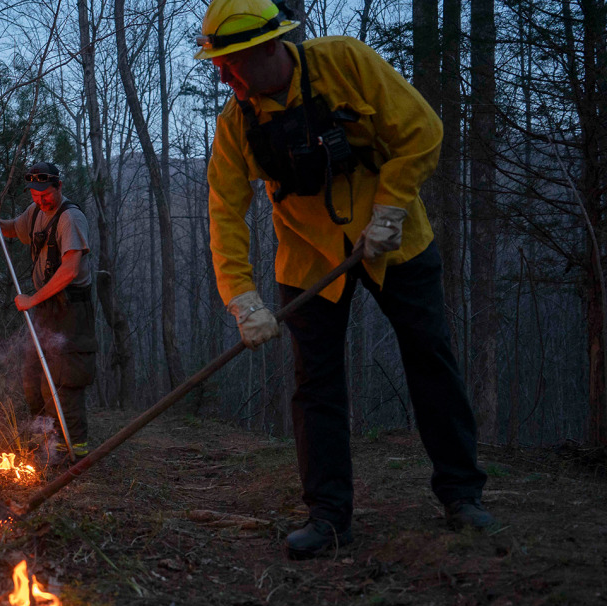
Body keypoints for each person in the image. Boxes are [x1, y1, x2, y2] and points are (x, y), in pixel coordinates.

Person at [195, 0, 496, 559]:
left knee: (431, 360)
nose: (224, 76)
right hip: (310, 261)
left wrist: (391, 207)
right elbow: (225, 214)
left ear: (268, 49)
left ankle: (462, 496)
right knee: (316, 387)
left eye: (232, 63)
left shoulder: (345, 63)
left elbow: (423, 130)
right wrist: (241, 297)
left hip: (395, 240)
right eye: (220, 65)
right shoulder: (236, 124)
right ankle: (329, 516)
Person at [0, 162, 97, 470]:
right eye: (34, 194)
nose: (40, 199)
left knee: (62, 380)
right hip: (45, 309)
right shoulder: (35, 212)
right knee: (33, 380)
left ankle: (77, 455)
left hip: (71, 310)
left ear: (59, 187)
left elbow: (71, 270)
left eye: (45, 194)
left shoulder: (70, 218)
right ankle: (50, 444)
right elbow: (12, 229)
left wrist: (32, 298)